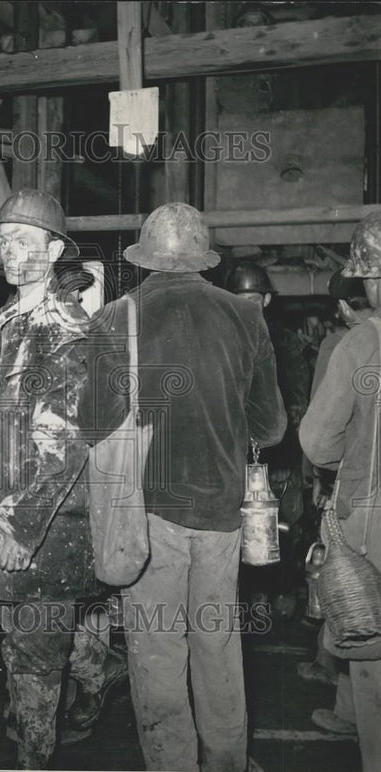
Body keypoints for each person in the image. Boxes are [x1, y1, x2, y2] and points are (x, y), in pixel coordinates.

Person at [80, 202, 287, 772]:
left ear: (144, 257)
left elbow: (92, 425)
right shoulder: (247, 319)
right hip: (223, 514)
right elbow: (270, 428)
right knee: (218, 646)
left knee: (158, 651)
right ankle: (227, 761)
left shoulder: (116, 319)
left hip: (148, 517)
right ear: (204, 258)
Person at [0, 189, 123, 769]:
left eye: (25, 241)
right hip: (14, 499)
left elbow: (63, 441)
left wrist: (22, 525)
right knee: (60, 621)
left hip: (46, 513)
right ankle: (96, 679)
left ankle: (36, 753)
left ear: (55, 248)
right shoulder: (12, 316)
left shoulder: (62, 326)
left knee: (32, 645)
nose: (11, 253)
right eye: (5, 242)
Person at [300, 210, 381, 772]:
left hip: (371, 523)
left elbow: (316, 440)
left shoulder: (361, 344)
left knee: (371, 651)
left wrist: (346, 463)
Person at [298, 271, 372, 698]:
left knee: (354, 594)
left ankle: (345, 699)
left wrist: (321, 478)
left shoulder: (345, 345)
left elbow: (320, 435)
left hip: (360, 498)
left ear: (344, 307)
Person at [226, 262, 310, 613]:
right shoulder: (221, 341)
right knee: (237, 528)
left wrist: (279, 454)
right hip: (233, 458)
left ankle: (280, 589)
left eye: (254, 298)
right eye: (241, 298)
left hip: (277, 455)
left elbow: (297, 400)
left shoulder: (284, 342)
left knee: (284, 524)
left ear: (267, 299)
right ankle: (248, 594)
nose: (248, 306)